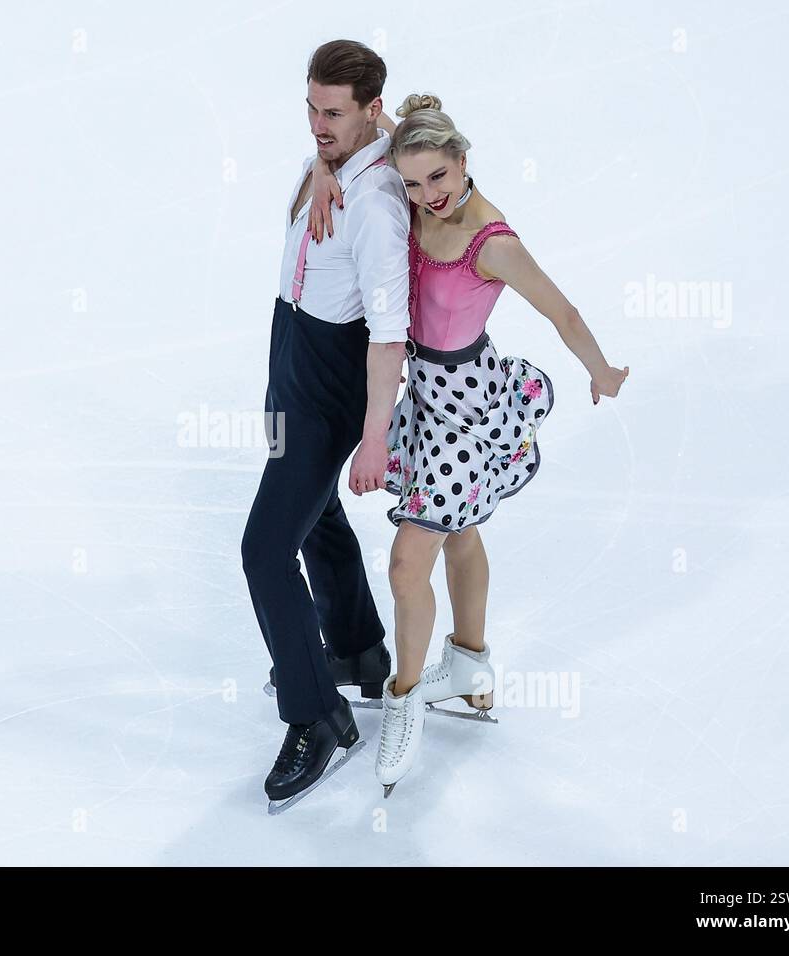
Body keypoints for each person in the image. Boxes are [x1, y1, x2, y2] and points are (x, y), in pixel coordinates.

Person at [307, 93, 630, 795]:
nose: (427, 196)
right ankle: (470, 663)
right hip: (424, 395)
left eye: (439, 178)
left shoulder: (494, 243)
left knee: (406, 564)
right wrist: (327, 169)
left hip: (468, 410)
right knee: (460, 533)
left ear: (463, 159)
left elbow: (564, 311)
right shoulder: (418, 165)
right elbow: (378, 133)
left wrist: (601, 371)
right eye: (412, 183)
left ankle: (404, 697)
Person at [241, 40, 409, 810]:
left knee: (264, 550)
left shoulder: (376, 206)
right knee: (316, 516)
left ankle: (317, 715)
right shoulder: (335, 162)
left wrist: (374, 435)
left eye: (333, 113)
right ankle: (356, 650)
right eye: (311, 108)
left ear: (373, 110)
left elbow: (388, 333)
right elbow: (338, 150)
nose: (317, 124)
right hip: (289, 356)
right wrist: (323, 161)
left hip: (328, 384)